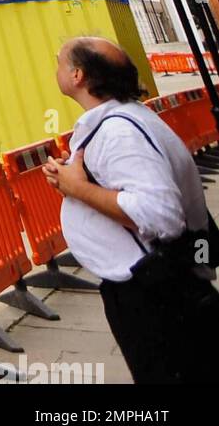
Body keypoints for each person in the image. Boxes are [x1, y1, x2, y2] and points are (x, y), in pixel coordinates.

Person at [45, 36, 219, 384]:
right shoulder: (125, 120)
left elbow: (160, 215)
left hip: (157, 295)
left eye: (60, 61)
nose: (56, 68)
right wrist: (77, 176)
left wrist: (78, 188)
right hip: (160, 285)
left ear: (78, 75)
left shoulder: (120, 132)